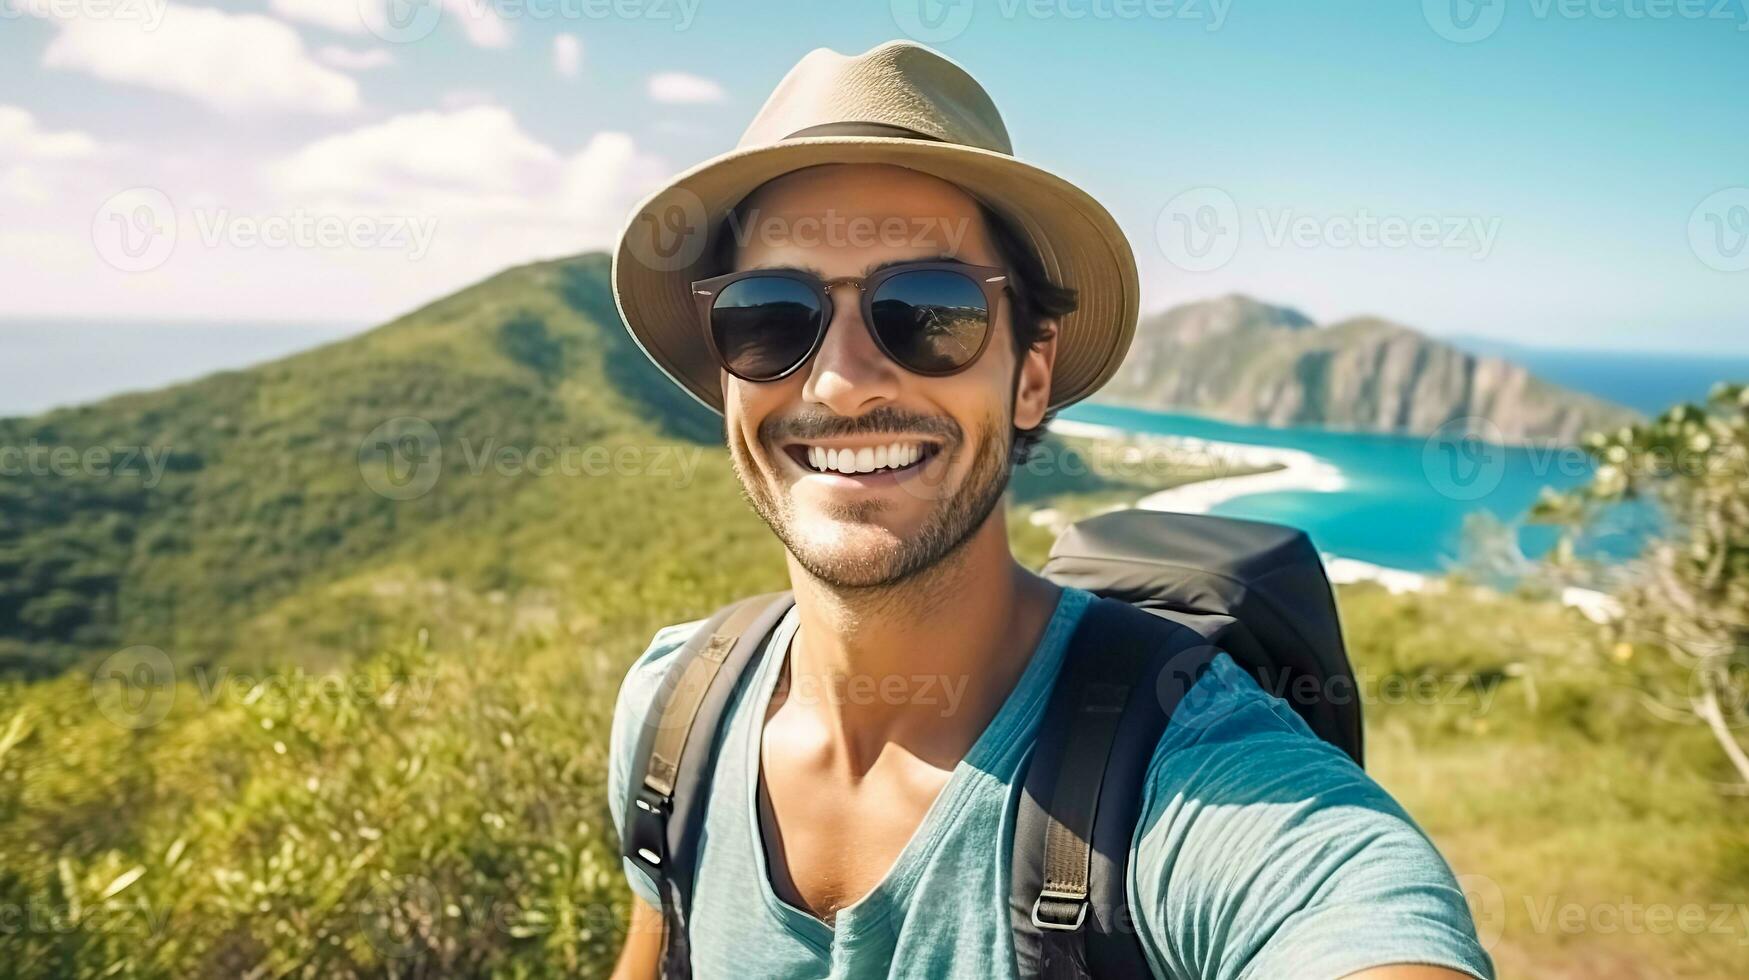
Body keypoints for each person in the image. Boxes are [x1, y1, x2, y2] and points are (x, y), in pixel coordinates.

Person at [605, 40, 1494, 980]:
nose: (842, 381)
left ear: (1029, 378)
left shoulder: (1193, 775)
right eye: (770, 315)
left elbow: (1349, 909)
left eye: (927, 310)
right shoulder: (675, 717)